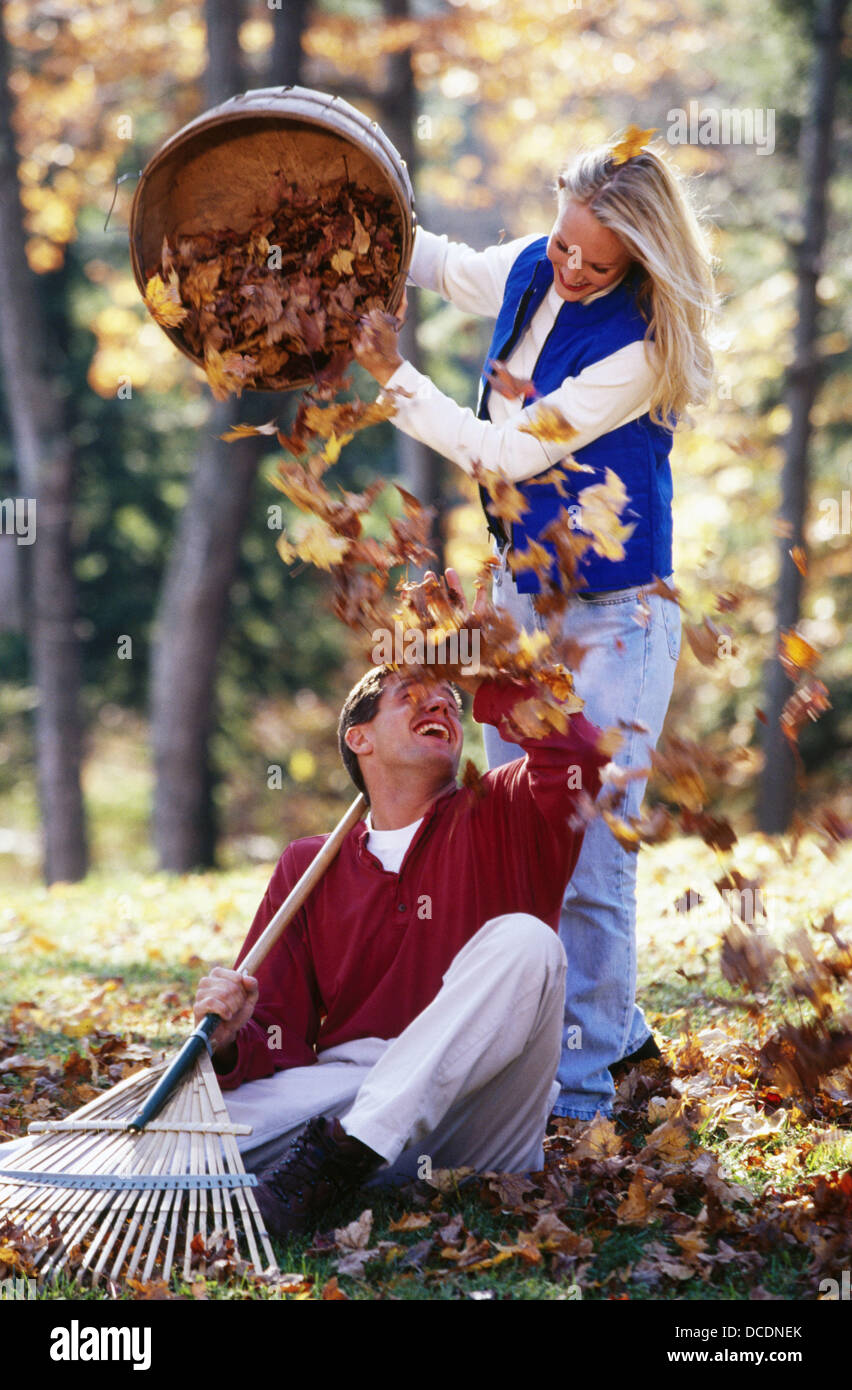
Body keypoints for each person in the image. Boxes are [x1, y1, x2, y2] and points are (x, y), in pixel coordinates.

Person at [352, 134, 718, 1122]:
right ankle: (617, 1045)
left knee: (590, 849)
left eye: (595, 262)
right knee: (518, 835)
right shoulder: (536, 264)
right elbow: (435, 261)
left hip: (615, 617)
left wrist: (399, 380)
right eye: (563, 245)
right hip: (525, 600)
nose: (569, 268)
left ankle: (583, 1107)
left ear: (640, 258)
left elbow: (510, 452)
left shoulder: (640, 346)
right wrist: (353, 228)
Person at [193, 572, 607, 1237]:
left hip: (479, 1116)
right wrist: (228, 1040)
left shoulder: (506, 808)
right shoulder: (311, 864)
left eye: (448, 699)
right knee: (173, 1137)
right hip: (343, 1096)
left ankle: (333, 1165)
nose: (438, 705)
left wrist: (487, 670)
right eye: (408, 696)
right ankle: (325, 1163)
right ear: (359, 739)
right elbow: (279, 1033)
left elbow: (579, 751)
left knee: (529, 943)